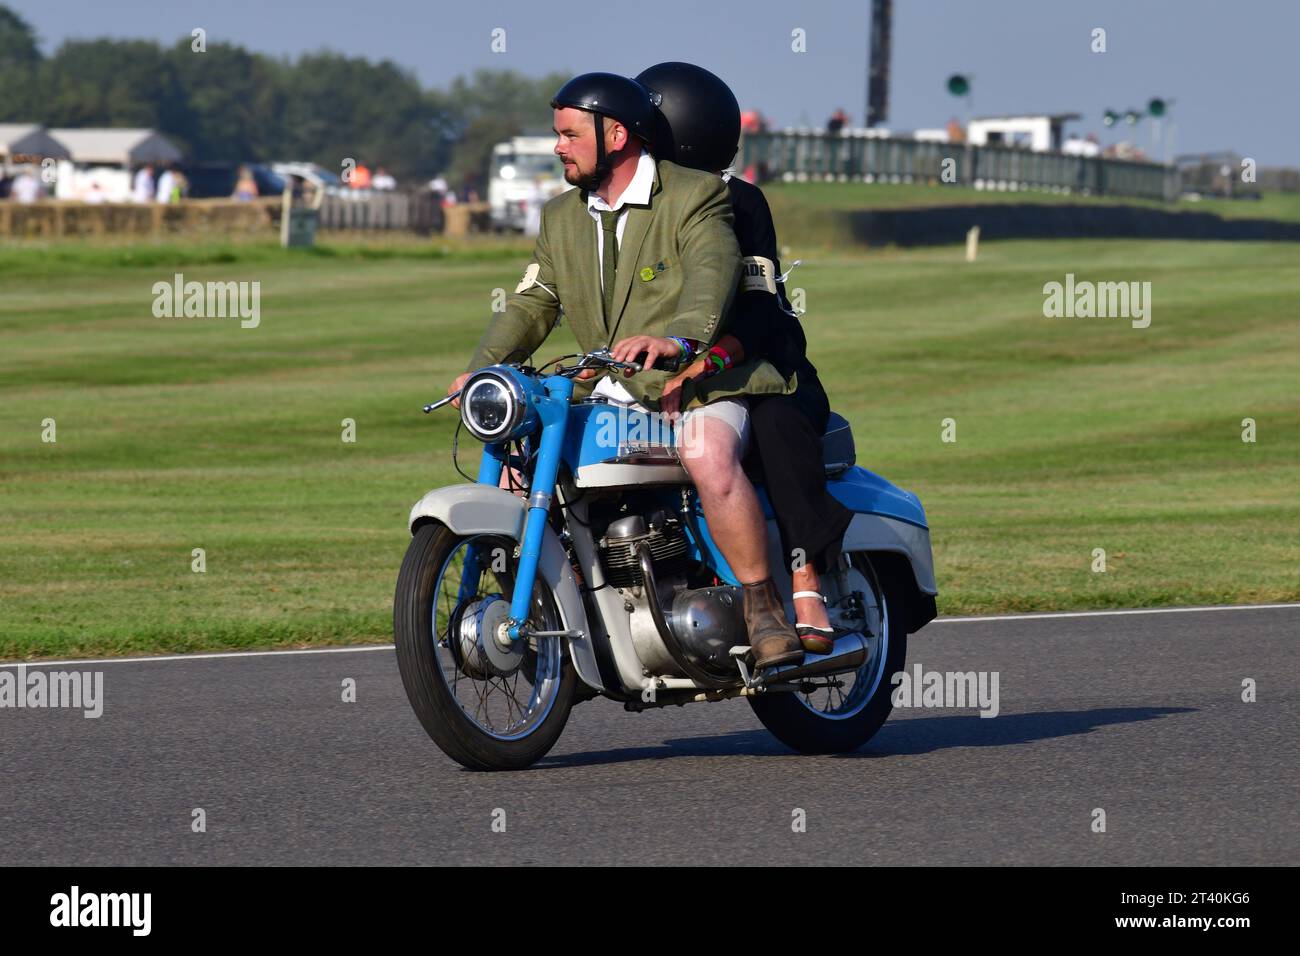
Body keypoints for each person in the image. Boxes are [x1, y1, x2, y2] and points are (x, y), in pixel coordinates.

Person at [446, 71, 806, 670]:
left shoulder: (694, 195)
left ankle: (763, 608)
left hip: (695, 384)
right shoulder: (562, 217)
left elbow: (713, 274)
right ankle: (539, 609)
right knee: (519, 462)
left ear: (615, 135)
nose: (557, 146)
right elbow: (533, 302)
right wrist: (483, 369)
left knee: (707, 452)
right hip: (609, 388)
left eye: (568, 135)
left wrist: (678, 339)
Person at [637, 61, 855, 654]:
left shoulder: (742, 203)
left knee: (773, 422)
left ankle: (804, 575)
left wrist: (702, 363)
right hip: (674, 379)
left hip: (767, 369)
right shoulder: (631, 208)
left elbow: (764, 313)